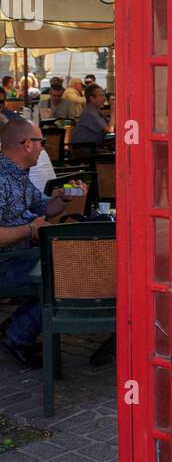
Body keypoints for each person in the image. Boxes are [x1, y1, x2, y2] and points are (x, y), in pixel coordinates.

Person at [0, 117, 78, 366]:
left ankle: (16, 327)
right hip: (6, 262)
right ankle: (17, 334)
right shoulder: (1, 179)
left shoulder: (19, 174)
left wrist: (64, 198)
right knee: (67, 271)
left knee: (72, 259)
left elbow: (44, 206)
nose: (44, 147)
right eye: (41, 142)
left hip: (21, 255)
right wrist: (31, 228)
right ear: (27, 145)